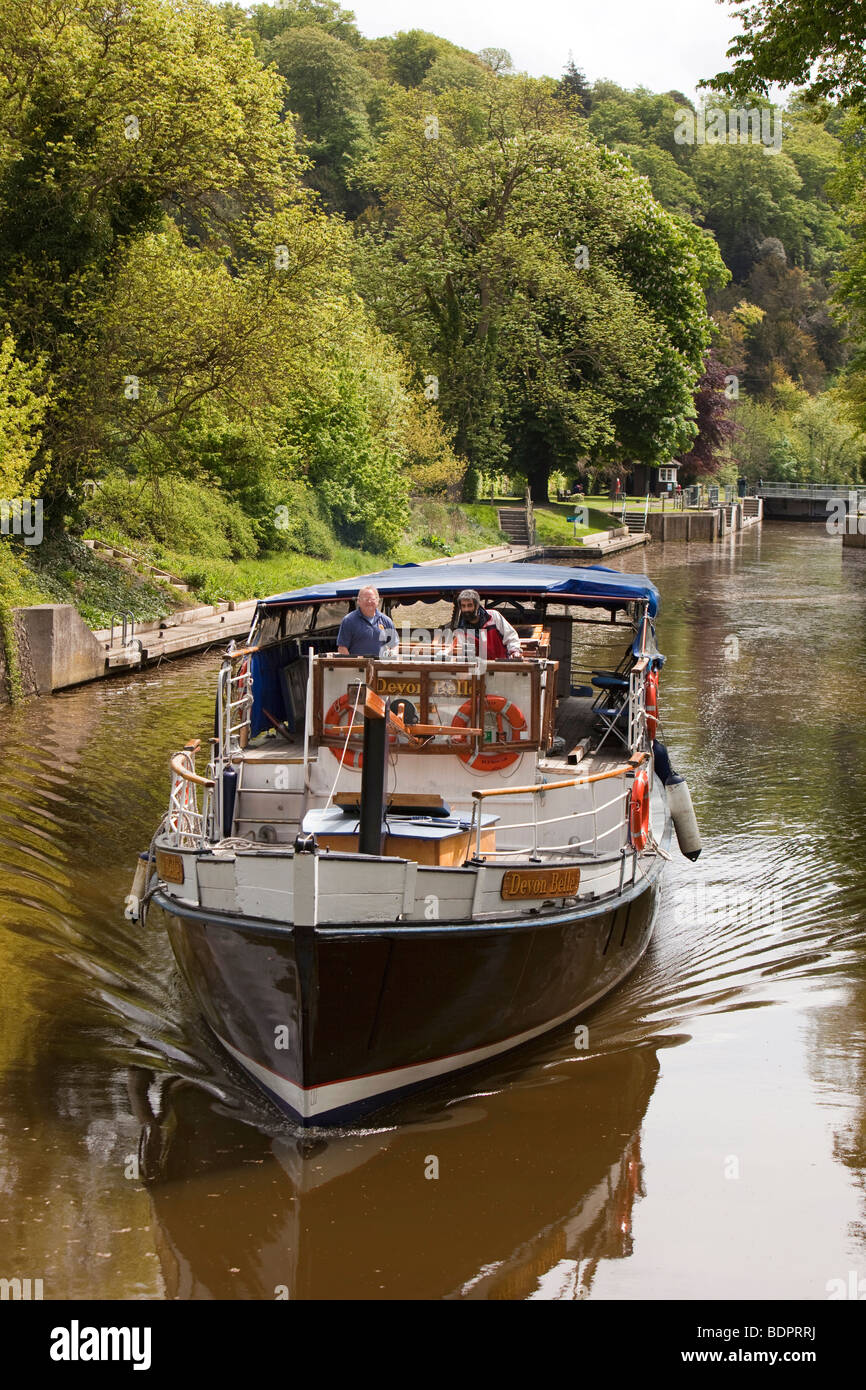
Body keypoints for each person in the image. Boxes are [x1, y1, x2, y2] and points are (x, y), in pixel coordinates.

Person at [453, 589, 521, 660]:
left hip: (502, 666)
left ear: (477, 606)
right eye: (463, 606)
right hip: (479, 668)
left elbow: (511, 636)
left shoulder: (494, 617)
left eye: (469, 605)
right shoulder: (461, 630)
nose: (466, 609)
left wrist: (514, 651)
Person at [337, 586, 397, 657]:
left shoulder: (386, 621)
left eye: (372, 599)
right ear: (358, 601)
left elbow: (394, 645)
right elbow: (342, 648)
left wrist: (391, 654)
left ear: (378, 600)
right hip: (358, 667)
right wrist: (353, 665)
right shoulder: (348, 621)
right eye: (365, 599)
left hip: (381, 666)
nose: (369, 602)